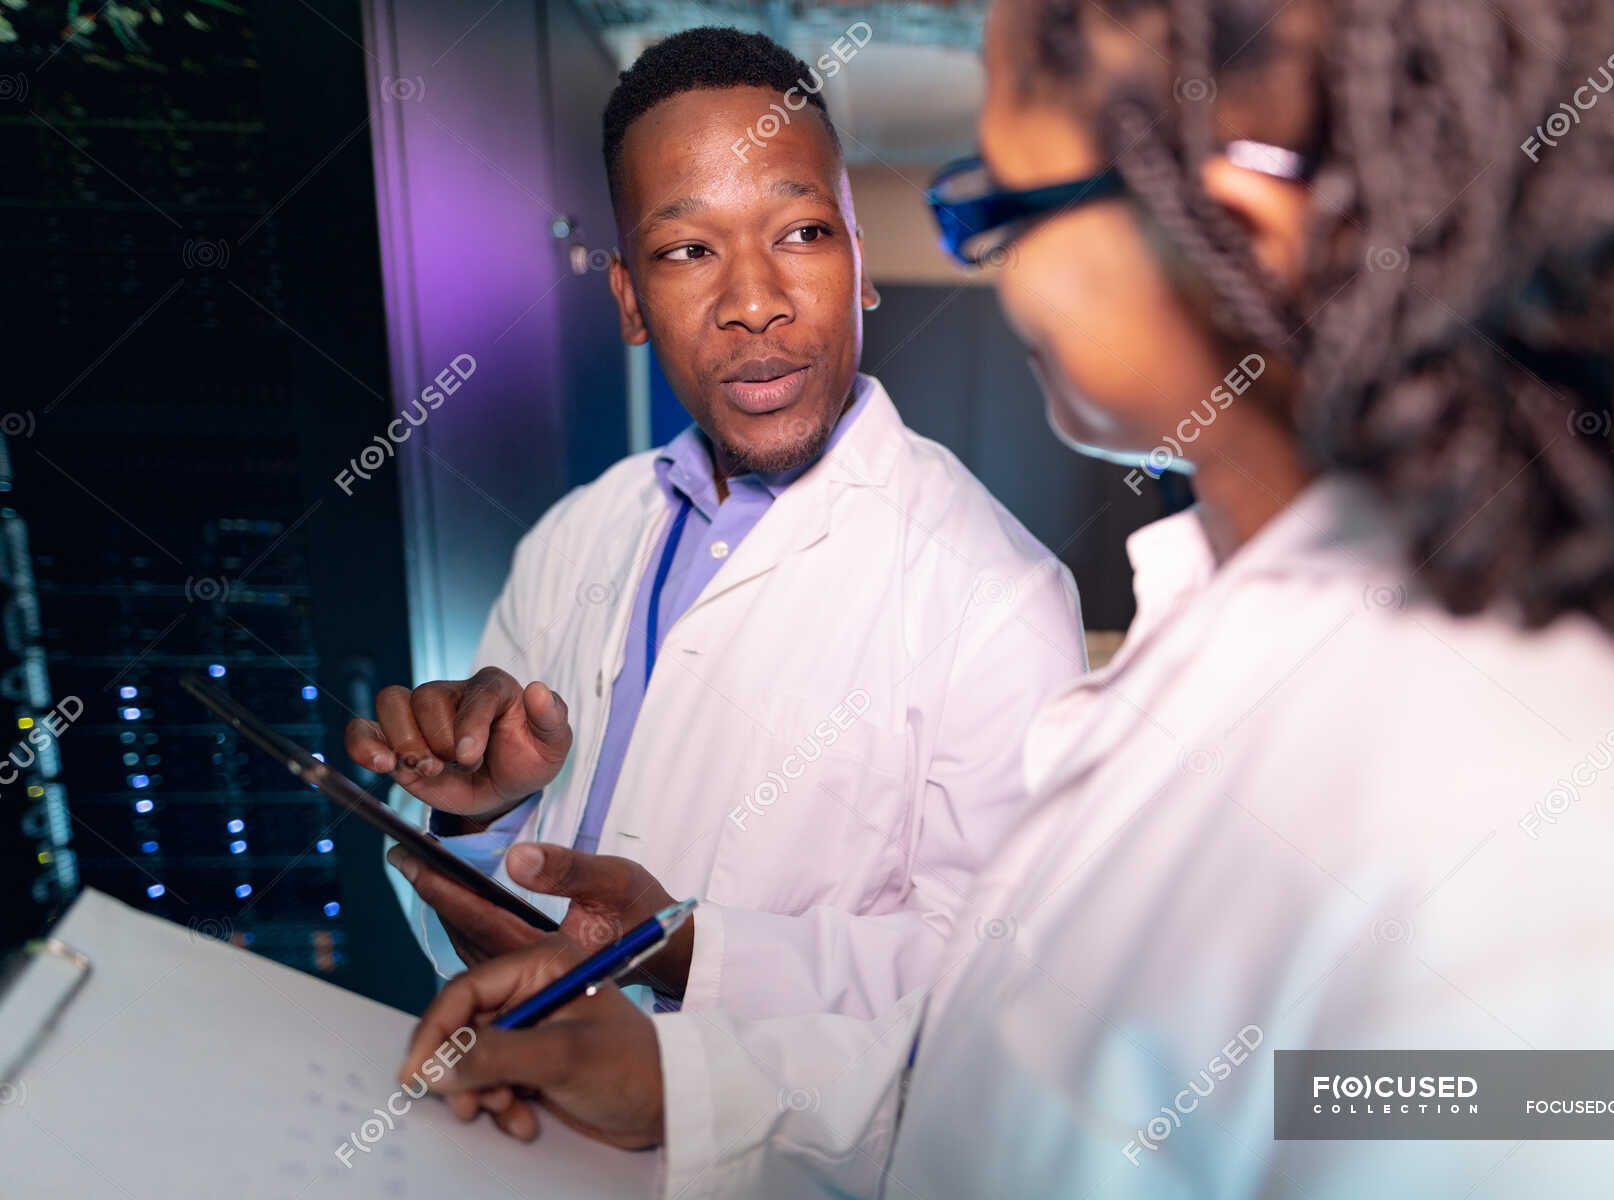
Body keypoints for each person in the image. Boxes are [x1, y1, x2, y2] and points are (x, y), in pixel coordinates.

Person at [397, 0, 1614, 1195]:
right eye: (688, 249)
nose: (1001, 281)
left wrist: (702, 1044)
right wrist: (680, 1069)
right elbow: (1009, 1078)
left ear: (1237, 229)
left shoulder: (1589, 896)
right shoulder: (1225, 640)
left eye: (998, 209)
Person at [347, 26, 1085, 1021]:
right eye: (688, 250)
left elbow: (992, 990)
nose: (754, 302)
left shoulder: (1000, 596)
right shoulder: (576, 537)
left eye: (801, 234)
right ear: (630, 300)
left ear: (860, 262)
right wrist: (479, 811)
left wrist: (688, 954)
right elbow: (472, 930)